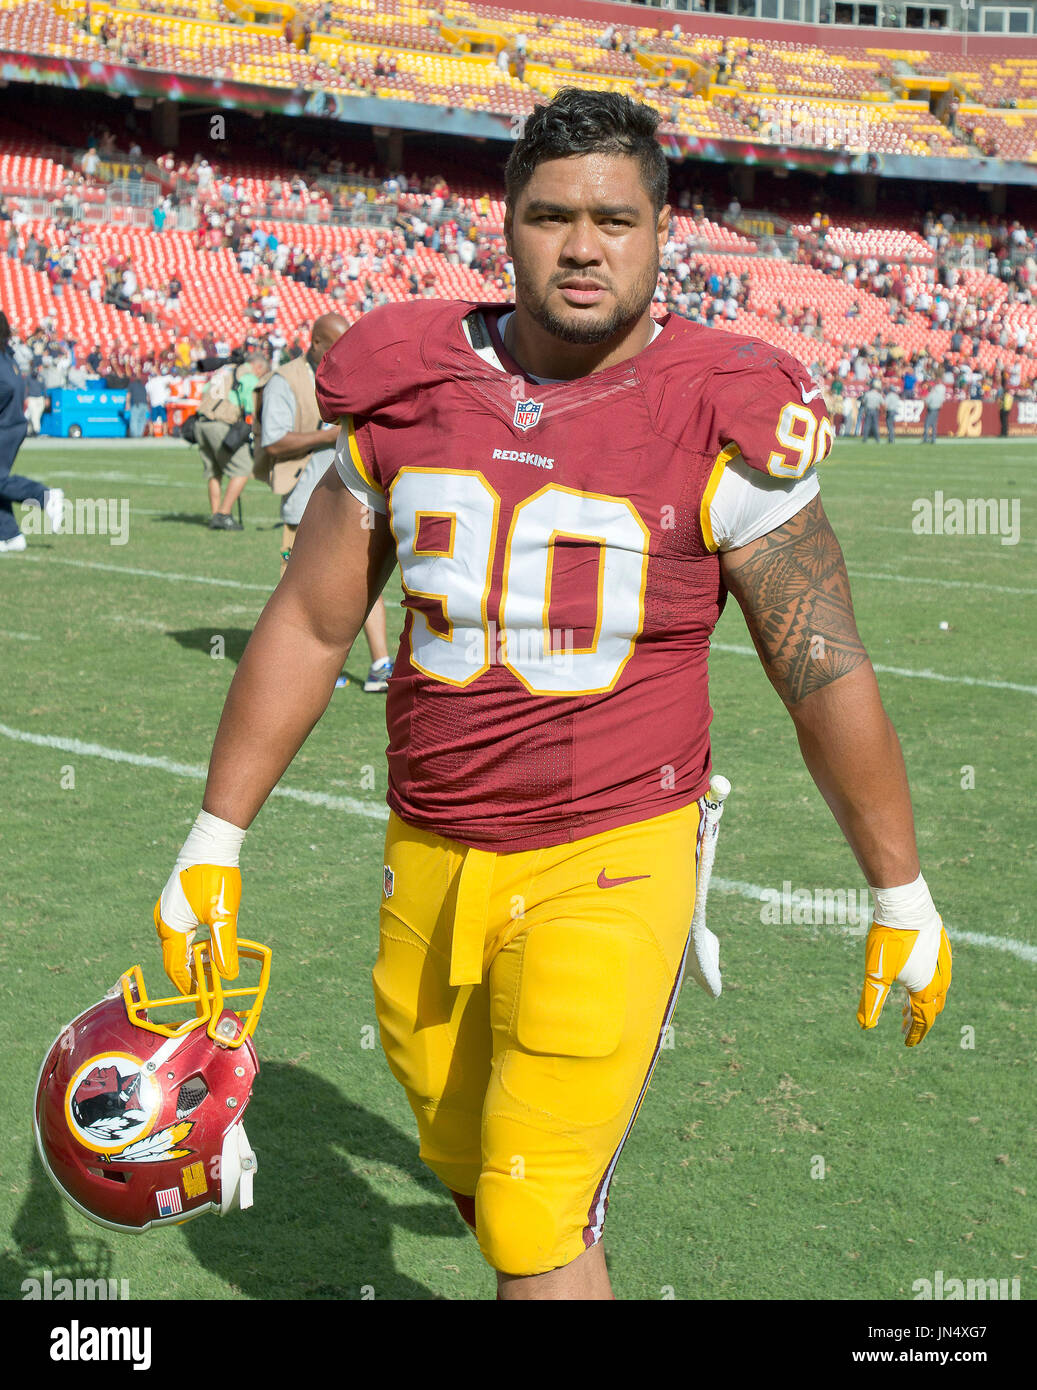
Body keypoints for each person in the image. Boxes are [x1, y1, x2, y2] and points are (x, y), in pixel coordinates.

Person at [152, 90, 951, 1301]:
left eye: (615, 219)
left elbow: (817, 659)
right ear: (507, 225)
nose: (583, 246)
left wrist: (897, 886)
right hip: (428, 845)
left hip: (613, 850)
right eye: (551, 216)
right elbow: (315, 622)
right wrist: (215, 836)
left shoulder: (721, 411)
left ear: (662, 231)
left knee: (526, 1215)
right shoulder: (407, 383)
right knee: (471, 1166)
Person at [252, 312, 392, 692]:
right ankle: (306, 665)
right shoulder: (284, 380)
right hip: (302, 496)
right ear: (315, 343)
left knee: (365, 577)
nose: (344, 353)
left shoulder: (354, 373)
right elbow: (274, 442)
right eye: (335, 346)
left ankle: (381, 664)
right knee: (298, 587)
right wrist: (327, 436)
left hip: (355, 494)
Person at [0, 312, 63, 551]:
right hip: (12, 424)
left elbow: (4, 389)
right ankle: (9, 535)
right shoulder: (8, 356)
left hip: (5, 426)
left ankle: (44, 496)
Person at [193, 351, 269, 529]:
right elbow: (251, 405)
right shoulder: (247, 375)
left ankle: (215, 515)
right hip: (222, 423)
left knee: (214, 471)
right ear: (258, 366)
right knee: (243, 469)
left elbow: (205, 392)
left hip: (201, 422)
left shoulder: (223, 372)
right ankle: (224, 514)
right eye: (262, 373)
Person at [923, 379, 946, 443]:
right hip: (937, 410)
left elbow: (927, 402)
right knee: (934, 425)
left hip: (931, 410)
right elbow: (941, 403)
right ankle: (933, 439)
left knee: (927, 424)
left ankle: (925, 439)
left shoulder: (931, 394)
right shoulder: (939, 395)